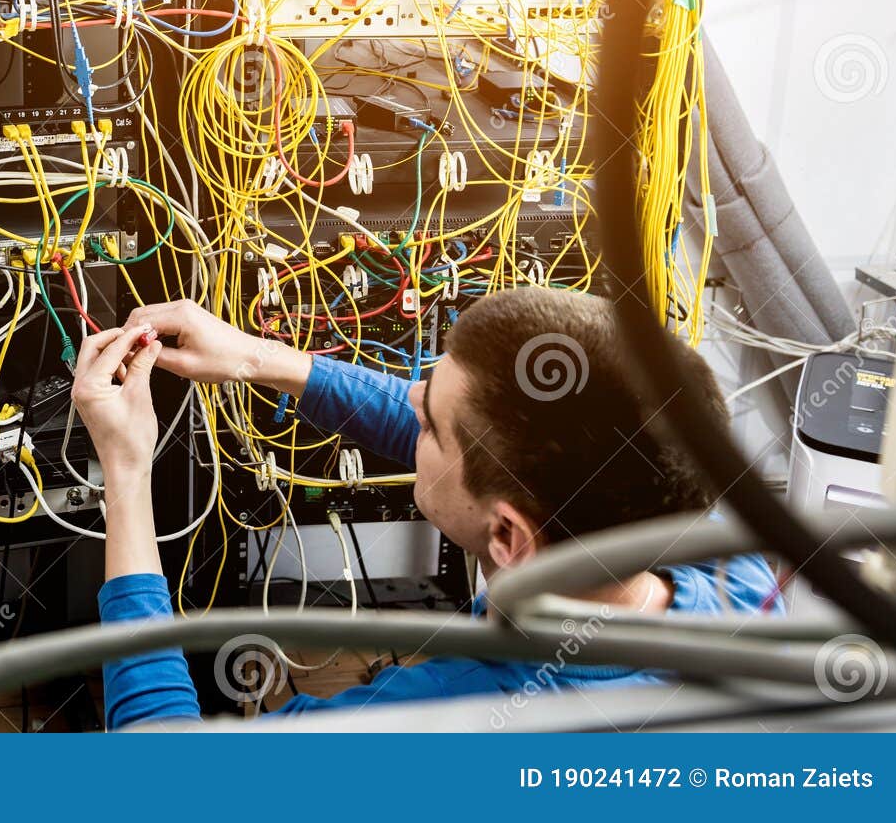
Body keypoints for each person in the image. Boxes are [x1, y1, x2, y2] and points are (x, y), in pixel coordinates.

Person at [69, 286, 780, 729]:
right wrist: (258, 358)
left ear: (508, 536)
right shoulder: (715, 545)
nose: (408, 402)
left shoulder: (435, 721)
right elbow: (476, 441)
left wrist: (127, 475)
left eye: (431, 422)